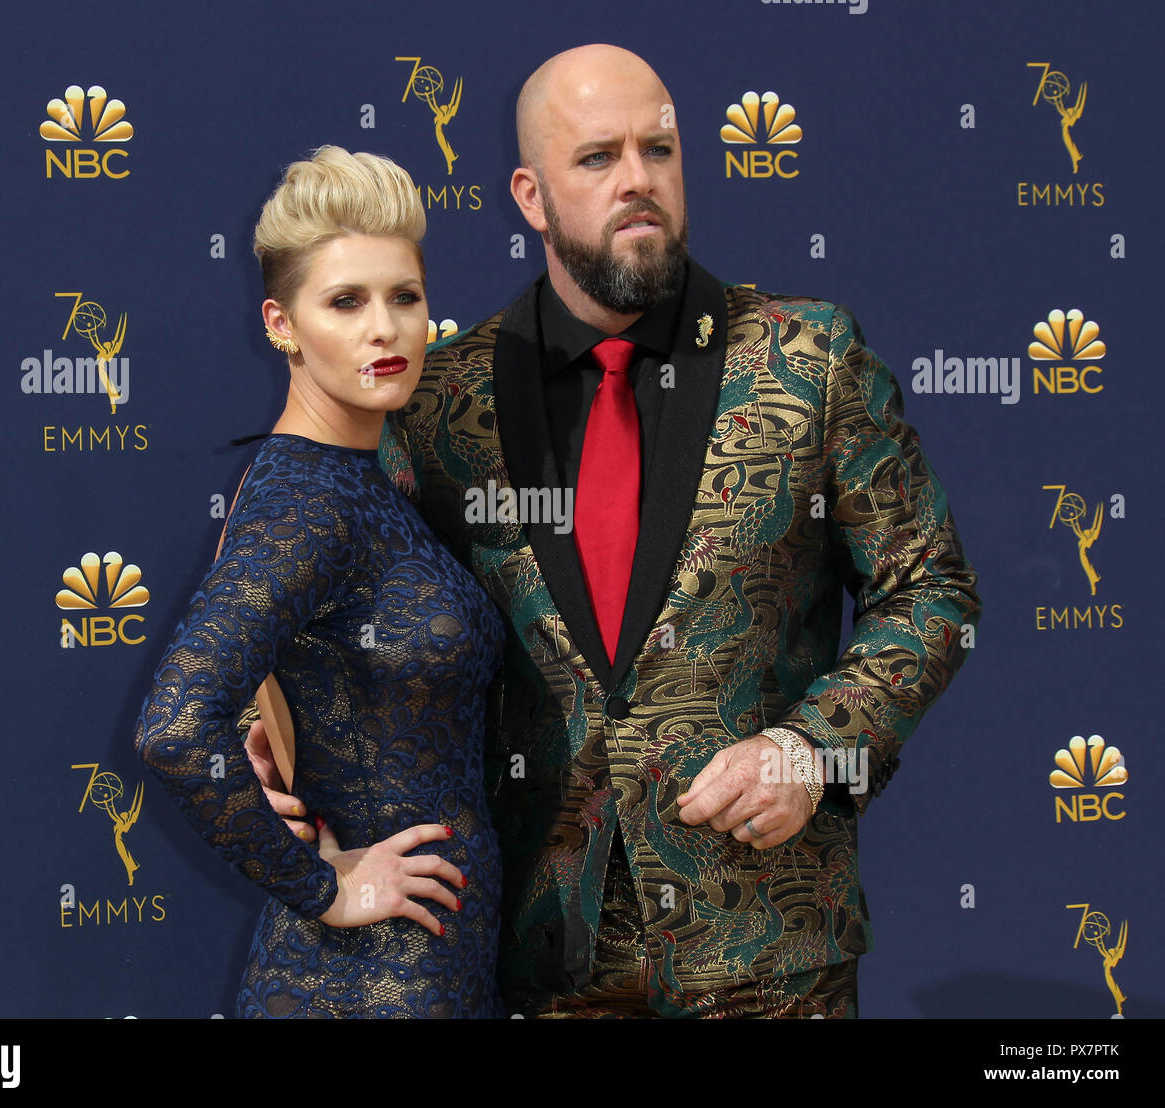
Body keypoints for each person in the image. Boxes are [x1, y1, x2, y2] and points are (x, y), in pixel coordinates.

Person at [257, 44, 982, 1018]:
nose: (637, 179)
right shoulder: (444, 403)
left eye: (660, 150)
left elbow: (931, 588)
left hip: (769, 955)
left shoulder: (809, 361)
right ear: (530, 194)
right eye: (598, 157)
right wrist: (260, 728)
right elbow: (311, 571)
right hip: (542, 957)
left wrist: (817, 750)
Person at [134, 146, 506, 1018]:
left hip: (436, 974)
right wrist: (325, 886)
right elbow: (176, 729)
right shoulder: (305, 498)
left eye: (404, 297)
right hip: (362, 985)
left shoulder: (357, 480)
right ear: (280, 324)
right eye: (346, 302)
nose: (385, 329)